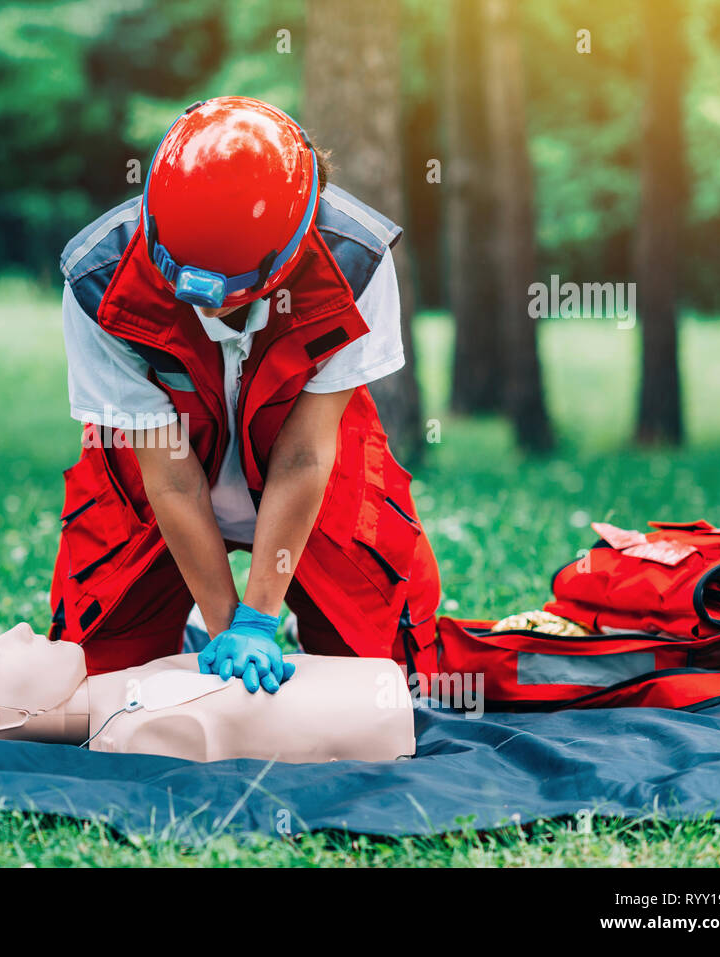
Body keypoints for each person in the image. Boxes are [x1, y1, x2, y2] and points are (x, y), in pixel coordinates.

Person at [49, 96, 441, 692]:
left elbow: (307, 454)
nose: (203, 305)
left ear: (287, 260)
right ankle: (178, 624)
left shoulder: (356, 261)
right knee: (93, 686)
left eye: (227, 291)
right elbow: (170, 478)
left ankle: (279, 613)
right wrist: (223, 626)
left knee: (390, 686)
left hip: (315, 475)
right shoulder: (99, 282)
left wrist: (258, 619)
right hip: (152, 490)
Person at [0, 623, 415, 763]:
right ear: (0, 717)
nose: (18, 628)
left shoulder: (123, 700)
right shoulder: (138, 729)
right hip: (382, 719)